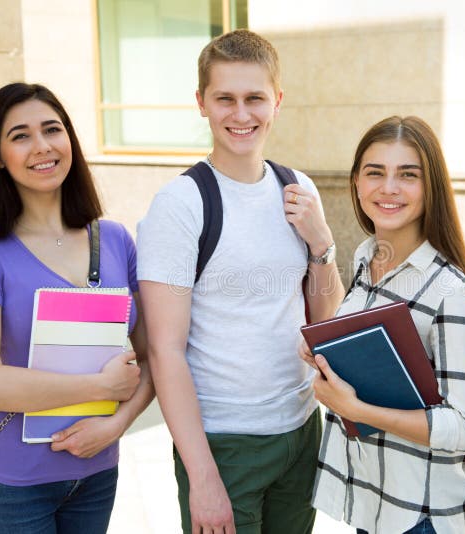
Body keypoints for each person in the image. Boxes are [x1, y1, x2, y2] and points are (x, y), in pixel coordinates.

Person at [136, 29, 344, 534]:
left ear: (278, 101)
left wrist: (322, 245)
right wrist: (202, 476)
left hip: (300, 429)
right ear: (201, 104)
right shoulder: (180, 204)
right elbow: (166, 351)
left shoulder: (297, 187)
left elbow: (326, 318)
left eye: (255, 98)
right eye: (224, 98)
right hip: (225, 444)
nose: (241, 114)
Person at [0, 82, 154, 533]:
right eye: (20, 135)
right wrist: (97, 385)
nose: (42, 146)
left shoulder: (116, 239)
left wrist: (118, 422)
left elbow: (157, 354)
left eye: (52, 129)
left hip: (98, 474)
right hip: (12, 482)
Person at [304, 116, 465, 534]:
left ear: (431, 188)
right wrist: (326, 357)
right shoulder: (366, 260)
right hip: (375, 505)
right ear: (355, 182)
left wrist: (358, 410)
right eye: (375, 173)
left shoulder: (449, 291)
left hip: (421, 515)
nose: (388, 188)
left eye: (408, 175)